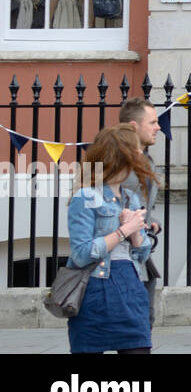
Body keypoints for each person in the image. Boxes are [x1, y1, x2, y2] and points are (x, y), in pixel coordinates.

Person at [65, 126, 154, 354]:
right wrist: (124, 230)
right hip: (96, 290)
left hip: (131, 288)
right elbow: (81, 253)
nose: (141, 154)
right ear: (120, 154)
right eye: (136, 149)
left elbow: (142, 253)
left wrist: (135, 232)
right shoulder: (85, 197)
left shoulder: (130, 198)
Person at [118, 97, 162, 325]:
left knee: (144, 323)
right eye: (152, 122)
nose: (158, 127)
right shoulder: (112, 161)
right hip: (118, 261)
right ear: (134, 126)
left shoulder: (148, 159)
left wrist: (149, 221)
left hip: (142, 255)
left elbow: (140, 204)